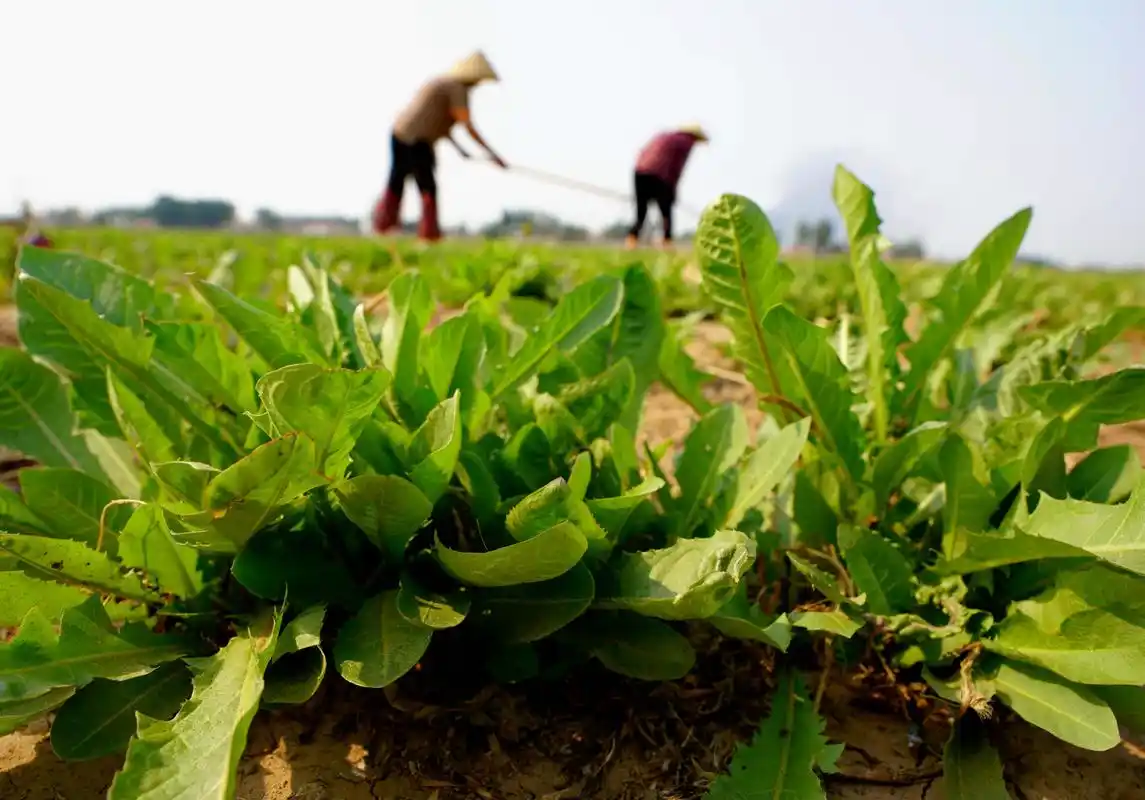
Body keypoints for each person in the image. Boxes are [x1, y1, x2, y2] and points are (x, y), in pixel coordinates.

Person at [372, 50, 508, 242]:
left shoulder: (442, 83)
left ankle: (384, 227)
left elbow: (441, 125)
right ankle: (428, 234)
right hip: (416, 140)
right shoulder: (457, 89)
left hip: (400, 133)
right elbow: (467, 126)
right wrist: (494, 155)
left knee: (397, 179)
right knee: (427, 186)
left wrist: (461, 150)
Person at [625, 125, 709, 249]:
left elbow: (643, 153)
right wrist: (672, 190)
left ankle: (632, 240)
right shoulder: (685, 142)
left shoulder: (664, 136)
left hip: (640, 171)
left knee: (641, 210)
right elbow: (676, 167)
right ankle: (666, 242)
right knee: (666, 211)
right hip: (660, 175)